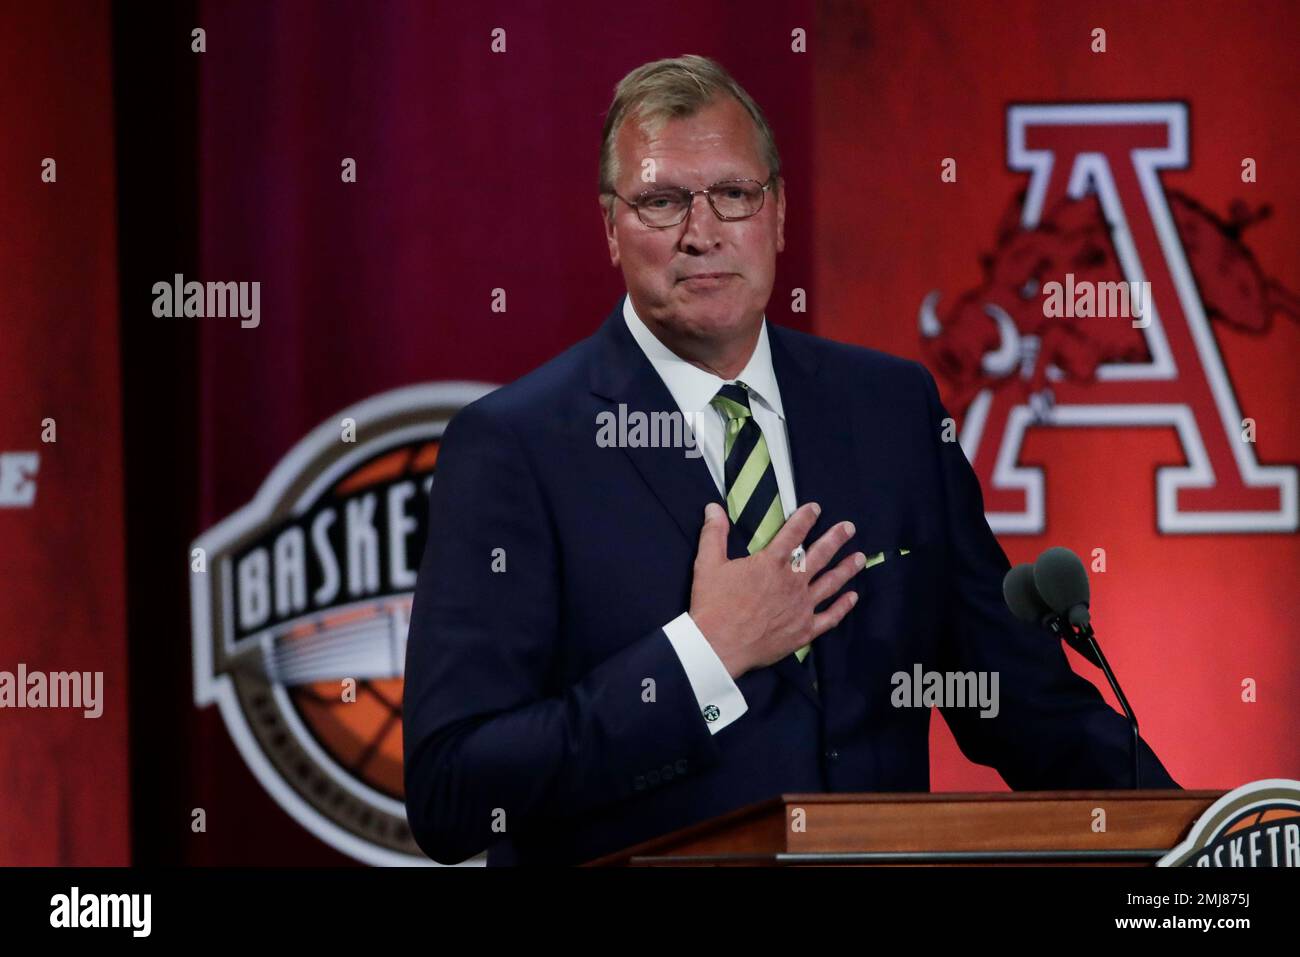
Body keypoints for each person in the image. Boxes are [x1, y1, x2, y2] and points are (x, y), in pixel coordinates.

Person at [402, 54, 1177, 866]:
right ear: (611, 227)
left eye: (734, 195)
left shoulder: (892, 412)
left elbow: (1028, 708)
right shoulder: (516, 447)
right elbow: (456, 792)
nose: (703, 233)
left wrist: (1223, 843)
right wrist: (705, 653)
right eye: (663, 201)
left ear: (776, 214)